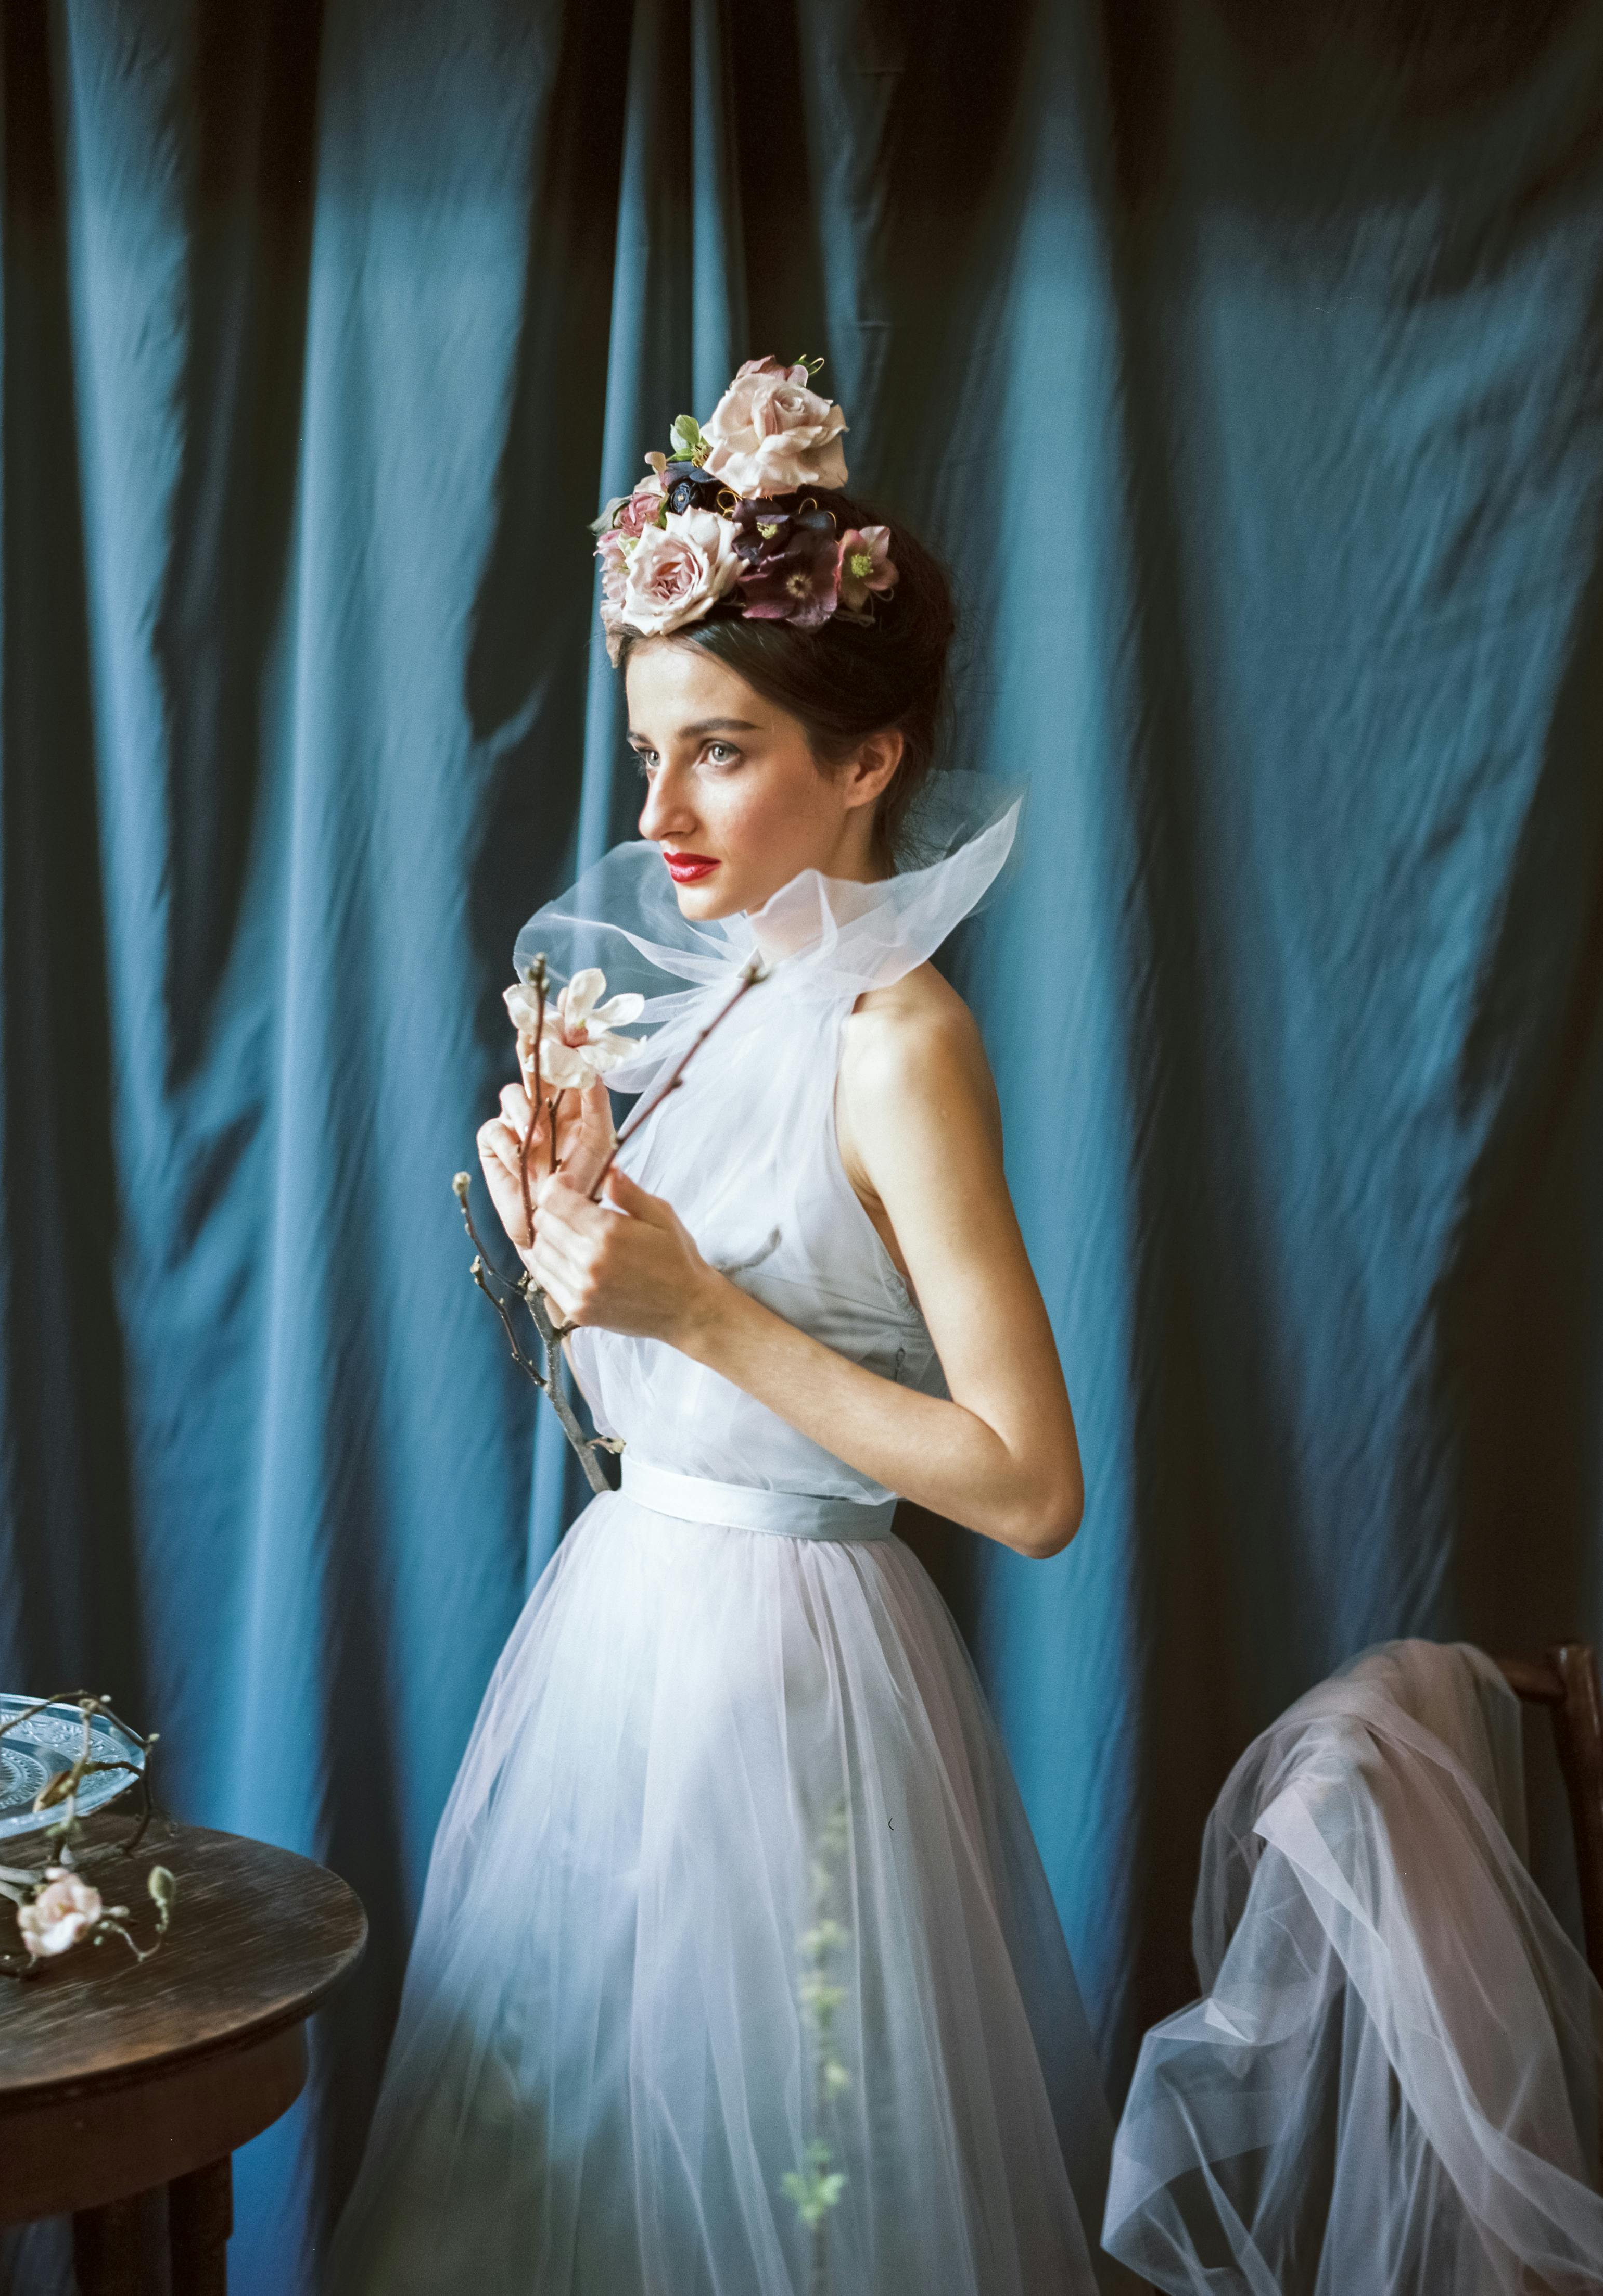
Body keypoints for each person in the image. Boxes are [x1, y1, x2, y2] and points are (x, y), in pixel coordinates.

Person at [329, 360, 1119, 2294]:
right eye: (647, 750)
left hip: (798, 1690)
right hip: (620, 1647)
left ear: (866, 759)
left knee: (793, 2193)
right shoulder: (696, 997)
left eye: (724, 750)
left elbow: (1029, 1489)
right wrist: (564, 1230)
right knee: (574, 2185)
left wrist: (688, 1301)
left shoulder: (897, 1037)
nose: (660, 810)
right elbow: (655, 1370)